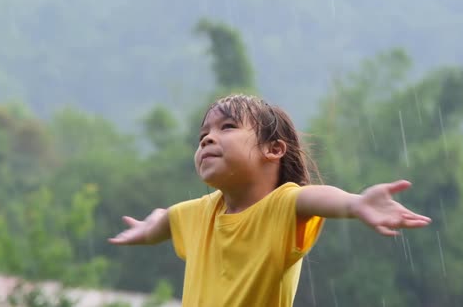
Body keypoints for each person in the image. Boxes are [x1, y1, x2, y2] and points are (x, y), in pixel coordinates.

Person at [108, 94, 431, 307]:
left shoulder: (279, 208)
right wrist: (150, 230)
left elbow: (313, 197)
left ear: (274, 149)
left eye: (228, 127)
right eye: (203, 135)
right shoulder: (200, 214)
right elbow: (169, 219)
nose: (207, 138)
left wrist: (355, 204)